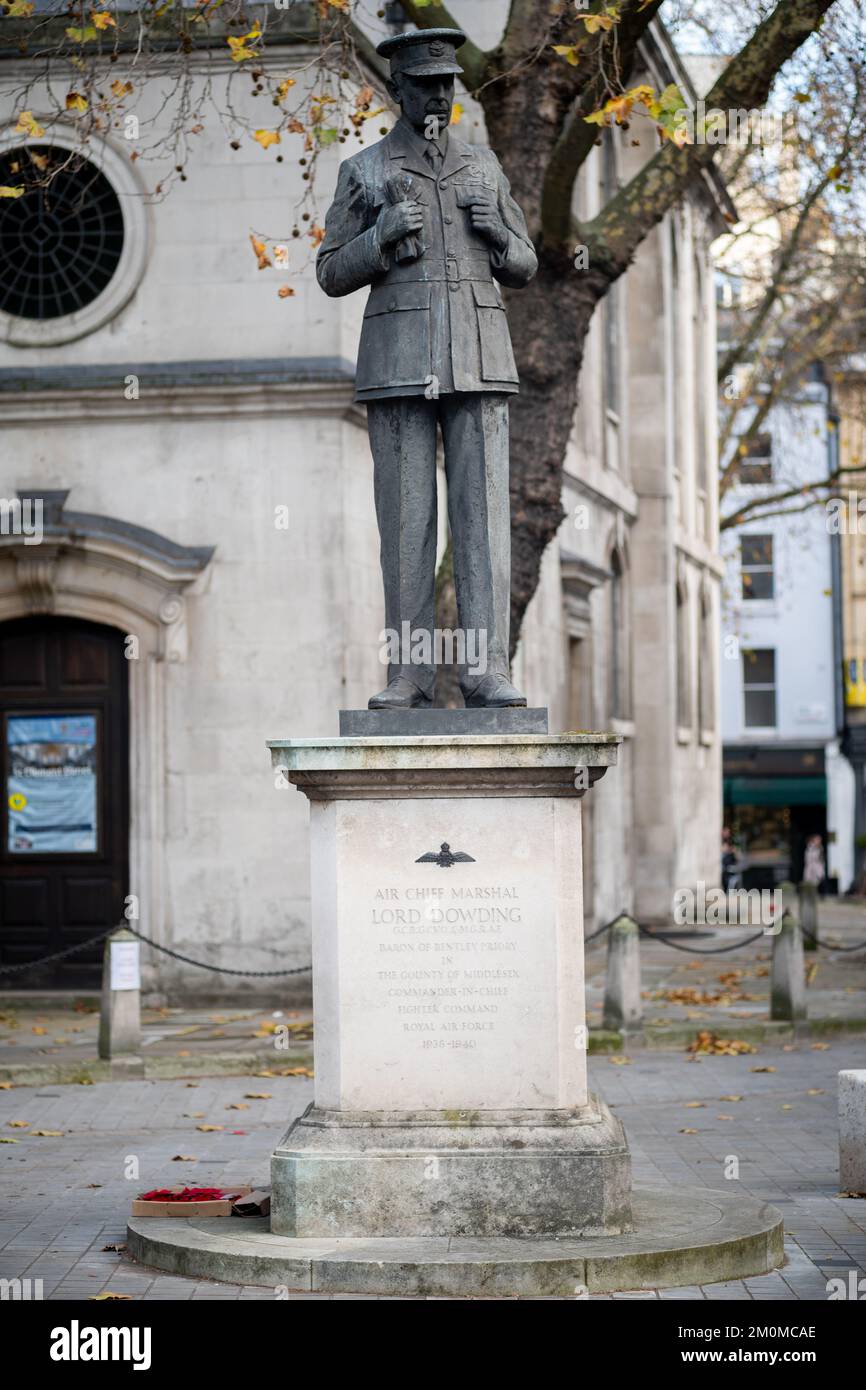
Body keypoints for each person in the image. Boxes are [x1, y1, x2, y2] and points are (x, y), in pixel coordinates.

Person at [316, 28, 538, 710]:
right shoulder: (366, 170)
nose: (439, 95)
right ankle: (409, 675)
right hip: (400, 360)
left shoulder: (483, 167)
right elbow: (329, 272)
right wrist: (378, 238)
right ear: (400, 91)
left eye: (446, 85)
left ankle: (486, 671)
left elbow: (526, 263)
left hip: (478, 353)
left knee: (483, 519)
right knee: (407, 523)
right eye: (425, 86)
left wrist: (498, 235)